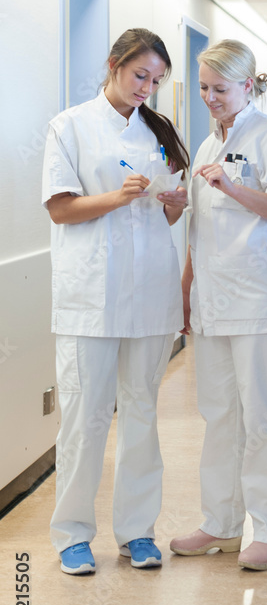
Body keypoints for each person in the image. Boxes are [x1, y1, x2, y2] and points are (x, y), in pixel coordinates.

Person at [42, 29, 189, 574]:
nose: (147, 88)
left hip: (150, 293)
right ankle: (73, 535)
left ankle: (137, 533)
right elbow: (60, 209)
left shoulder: (160, 131)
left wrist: (172, 203)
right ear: (114, 65)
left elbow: (168, 215)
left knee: (144, 417)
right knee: (84, 418)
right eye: (139, 76)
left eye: (155, 80)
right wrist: (116, 197)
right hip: (90, 298)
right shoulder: (70, 126)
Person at [170, 39, 267, 572]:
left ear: (248, 85)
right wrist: (186, 285)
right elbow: (200, 229)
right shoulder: (206, 147)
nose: (210, 98)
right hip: (212, 298)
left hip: (258, 296)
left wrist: (232, 187)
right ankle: (221, 524)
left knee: (264, 417)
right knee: (220, 414)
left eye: (219, 88)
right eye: (203, 88)